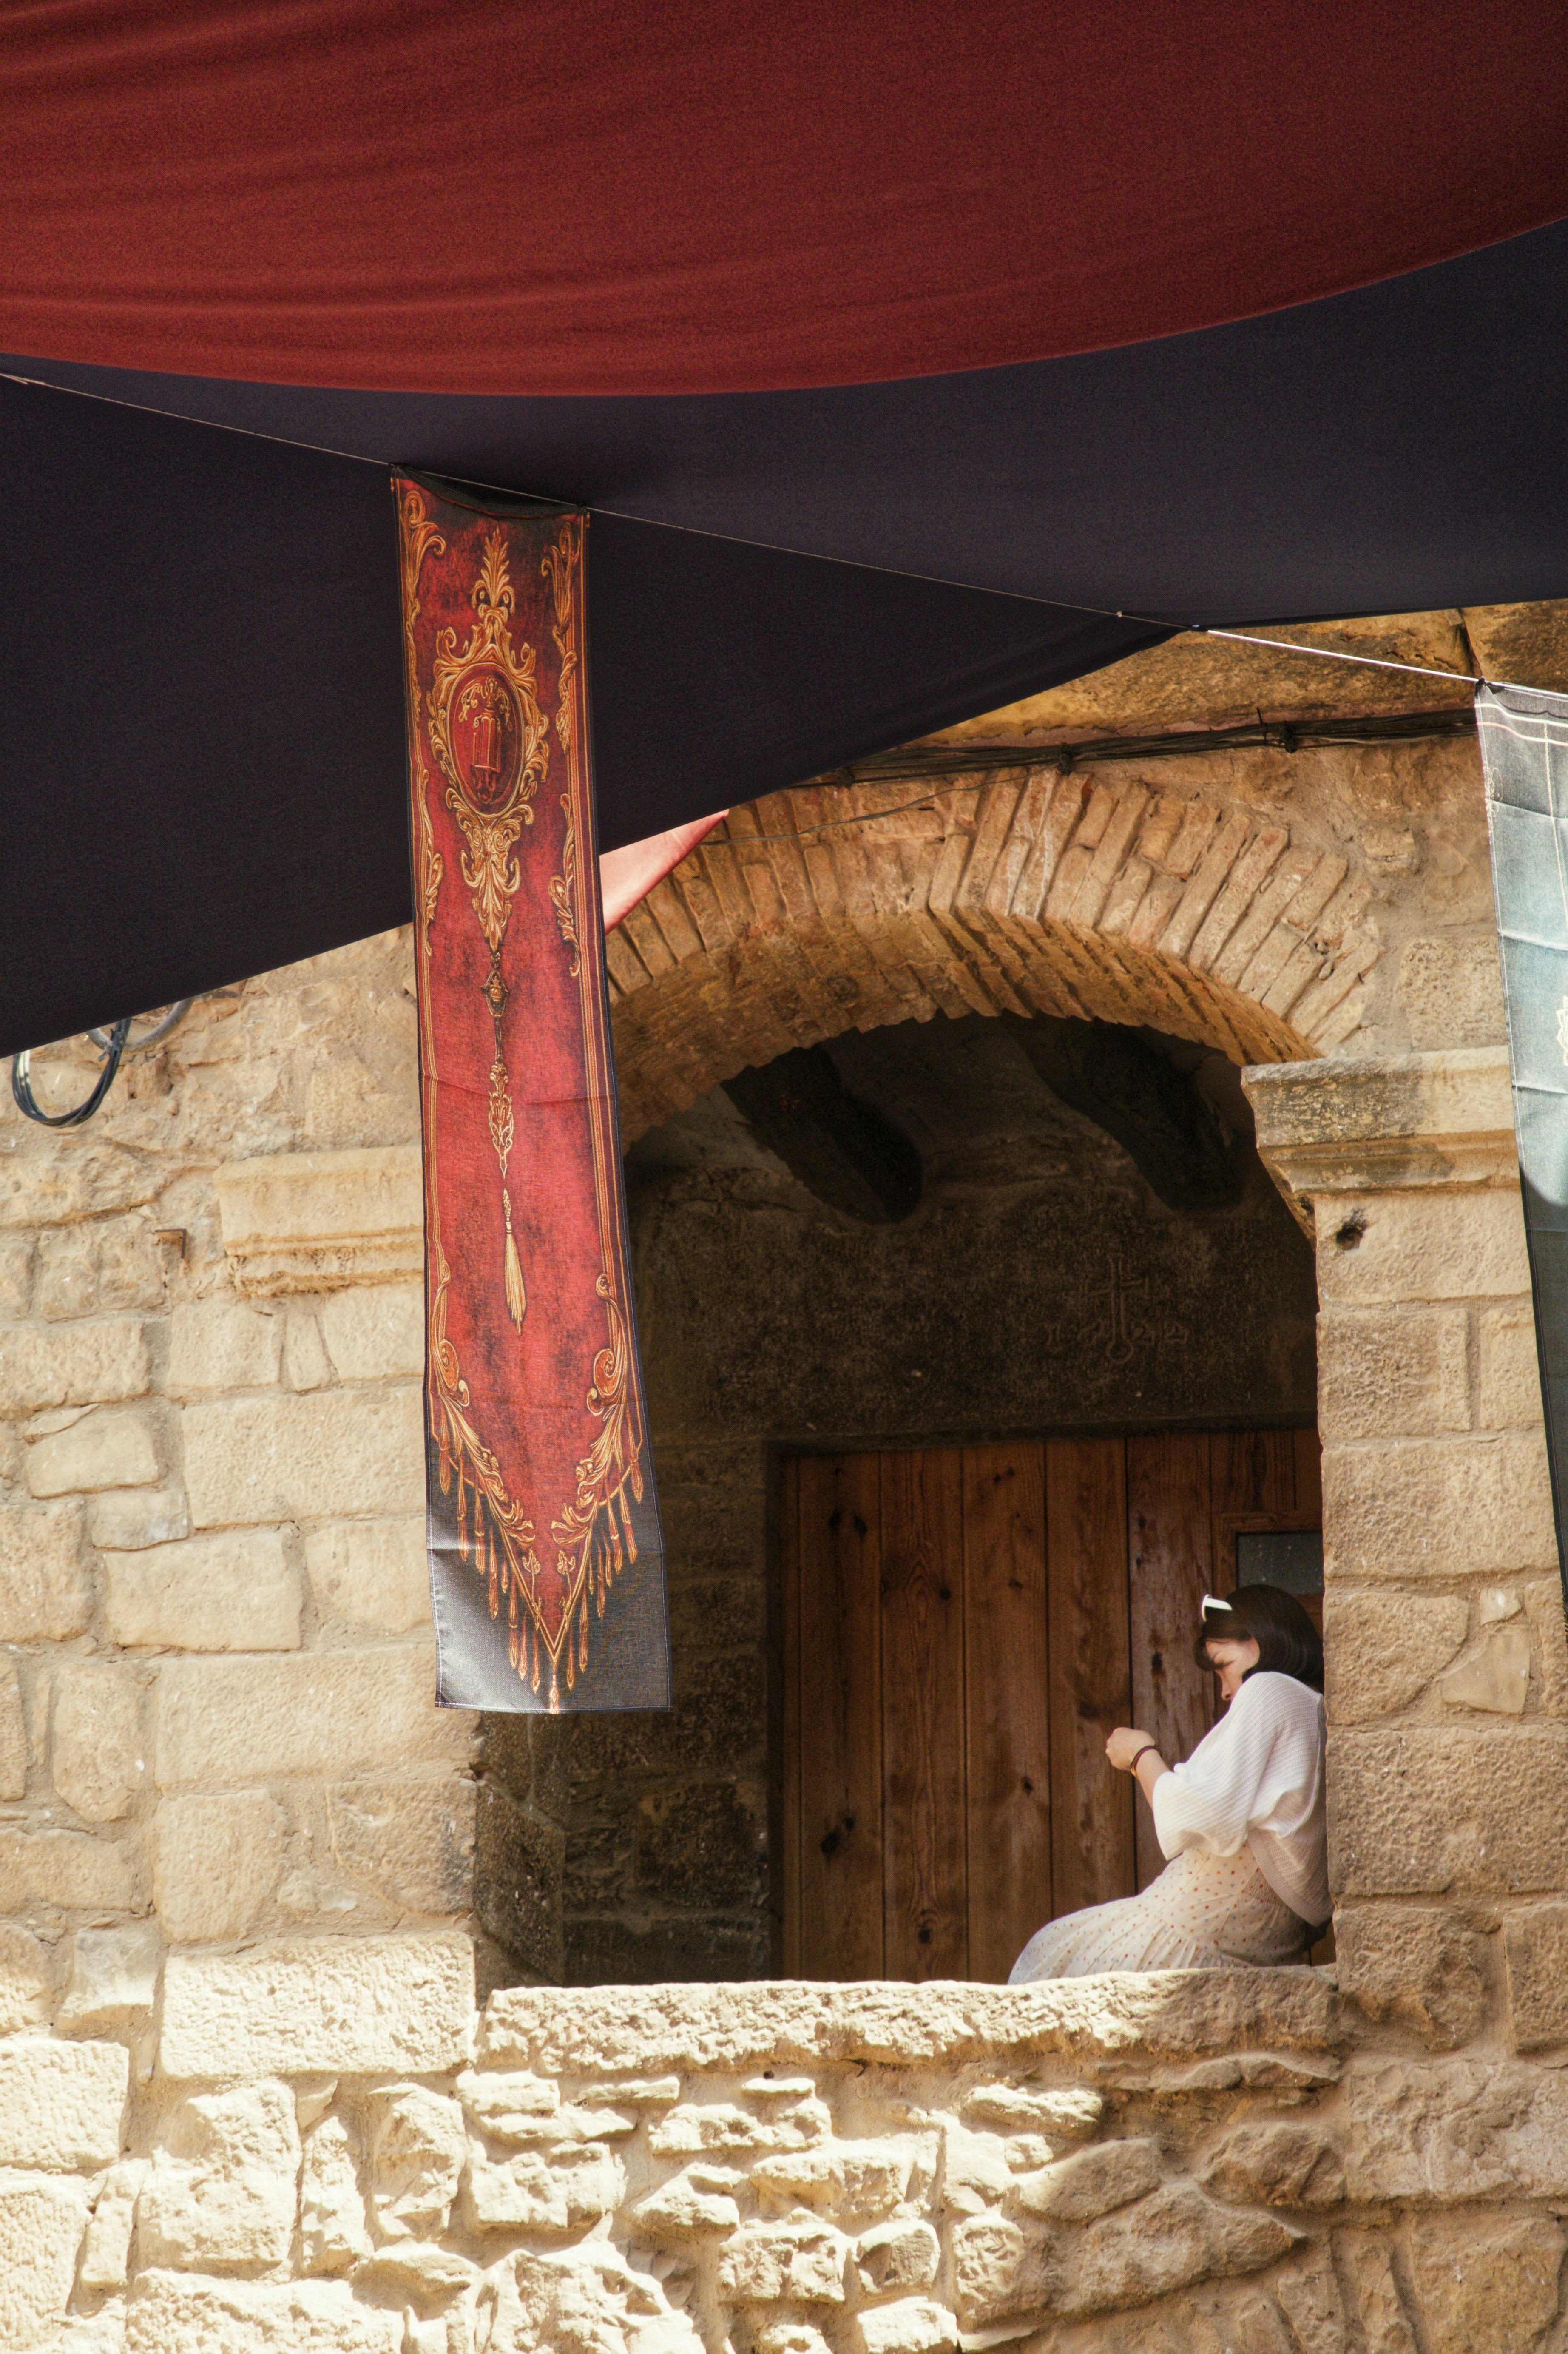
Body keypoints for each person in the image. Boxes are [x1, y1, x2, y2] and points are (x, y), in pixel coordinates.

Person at [1008, 1583, 1328, 1981]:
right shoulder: (1319, 1712)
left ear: (1259, 1640)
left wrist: (1142, 1754)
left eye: (1223, 1664)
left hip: (1189, 1935)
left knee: (1048, 1954)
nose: (1227, 1691)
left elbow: (1199, 1812)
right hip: (1260, 1949)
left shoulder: (1270, 1690)